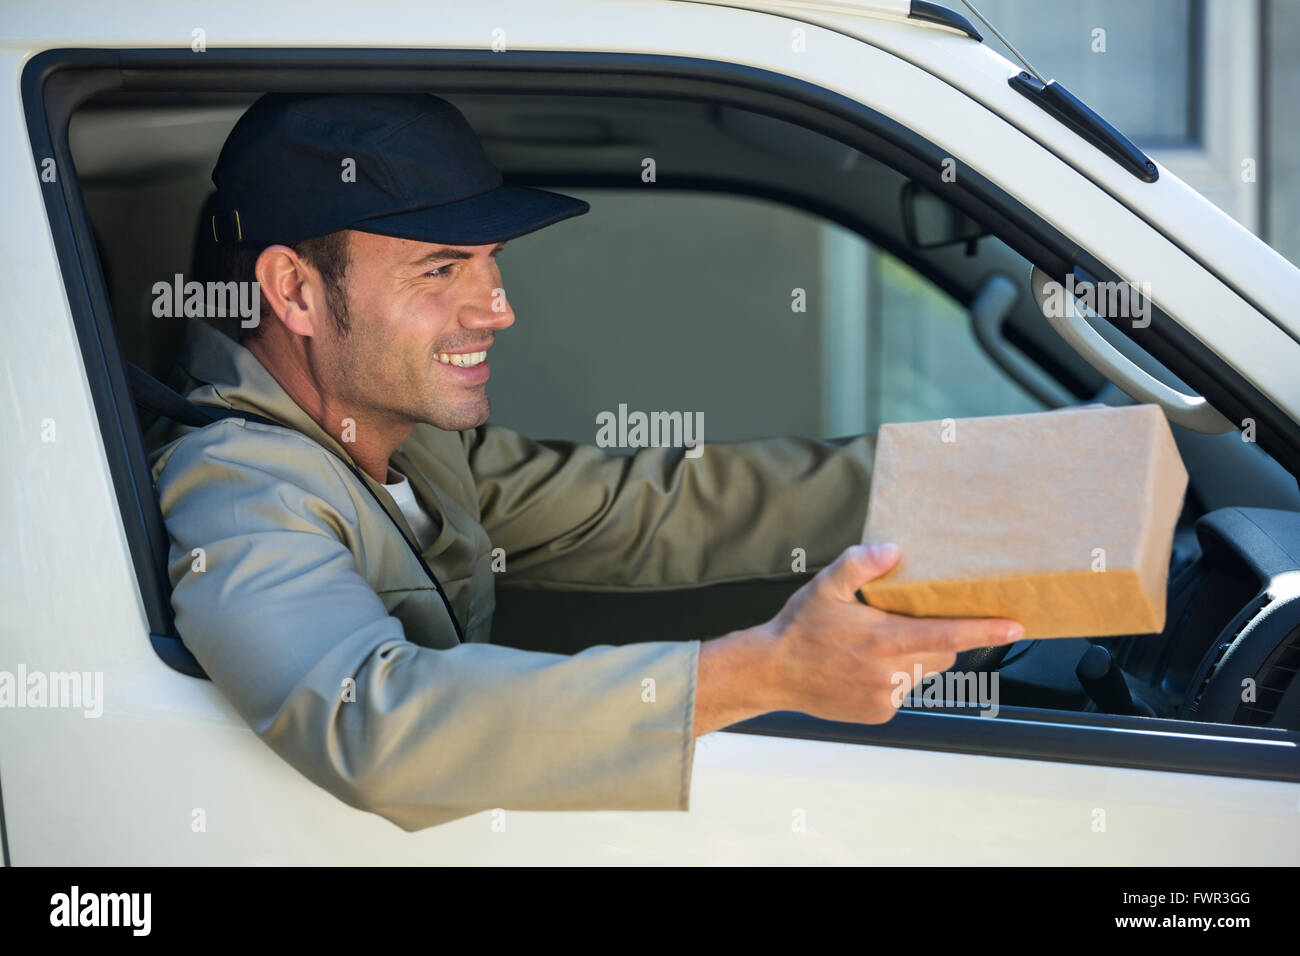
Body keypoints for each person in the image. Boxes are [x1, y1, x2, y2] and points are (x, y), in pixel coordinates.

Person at [147, 92, 1022, 832]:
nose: (495, 309)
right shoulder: (237, 485)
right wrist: (767, 669)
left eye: (489, 264)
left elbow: (655, 508)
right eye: (441, 269)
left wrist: (971, 479)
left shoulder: (421, 447)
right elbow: (371, 723)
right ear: (293, 291)